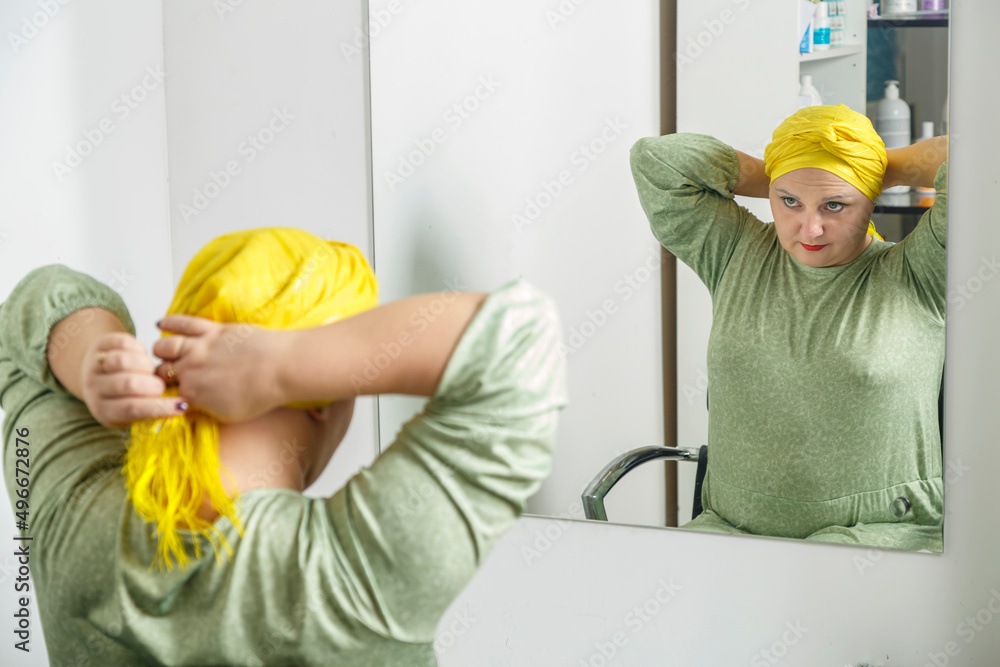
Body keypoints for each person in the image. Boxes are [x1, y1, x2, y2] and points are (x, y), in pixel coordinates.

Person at [0, 227, 567, 665]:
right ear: (322, 395)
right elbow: (522, 341)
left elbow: (26, 323)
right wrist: (283, 365)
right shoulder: (343, 580)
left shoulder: (70, 515)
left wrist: (102, 363)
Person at [629, 104, 948, 551]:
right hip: (733, 531)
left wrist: (879, 169)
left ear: (871, 198)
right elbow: (657, 161)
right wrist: (787, 172)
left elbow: (979, 161)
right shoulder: (736, 252)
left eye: (835, 204)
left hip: (879, 537)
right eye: (790, 203)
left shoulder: (920, 272)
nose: (810, 228)